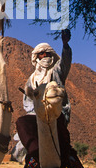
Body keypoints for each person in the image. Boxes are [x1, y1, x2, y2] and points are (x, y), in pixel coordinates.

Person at [15, 29, 72, 159]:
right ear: (37, 57)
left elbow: (65, 63)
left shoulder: (57, 71)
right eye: (41, 54)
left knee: (61, 137)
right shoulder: (32, 78)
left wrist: (65, 44)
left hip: (57, 113)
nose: (45, 56)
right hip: (37, 114)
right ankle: (33, 157)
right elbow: (28, 102)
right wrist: (36, 112)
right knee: (22, 123)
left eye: (47, 53)